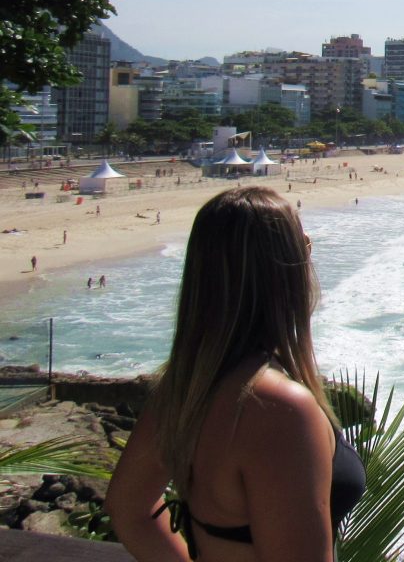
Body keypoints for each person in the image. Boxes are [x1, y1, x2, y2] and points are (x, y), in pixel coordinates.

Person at [107, 186, 364, 561]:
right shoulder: (279, 408)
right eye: (303, 246)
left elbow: (128, 509)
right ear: (286, 275)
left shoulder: (186, 388)